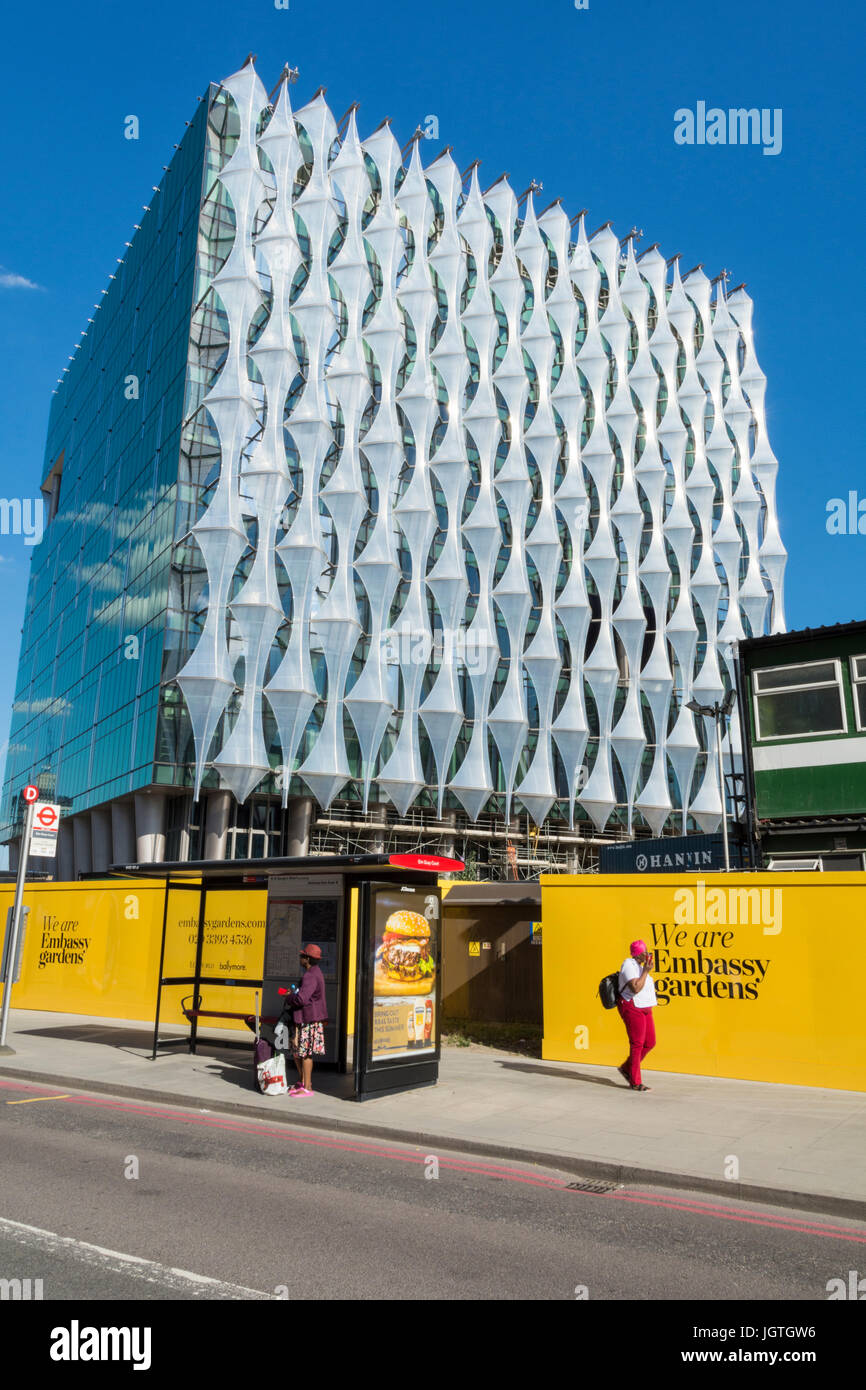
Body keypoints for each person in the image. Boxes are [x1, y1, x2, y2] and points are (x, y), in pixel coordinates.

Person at [287, 944, 328, 1098]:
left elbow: (302, 999)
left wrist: (289, 997)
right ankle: (303, 1082)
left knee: (305, 1053)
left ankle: (307, 1087)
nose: (300, 958)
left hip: (309, 1019)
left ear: (308, 959)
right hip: (309, 1019)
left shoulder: (310, 976)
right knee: (299, 1052)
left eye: (302, 956)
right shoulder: (315, 973)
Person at [616, 939, 656, 1092]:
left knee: (650, 1042)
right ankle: (635, 1082)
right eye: (644, 953)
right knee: (637, 1043)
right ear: (637, 954)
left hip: (645, 1006)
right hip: (632, 1005)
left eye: (647, 952)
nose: (647, 955)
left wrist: (645, 970)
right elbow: (635, 988)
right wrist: (646, 971)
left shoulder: (639, 966)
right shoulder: (629, 965)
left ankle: (627, 1068)